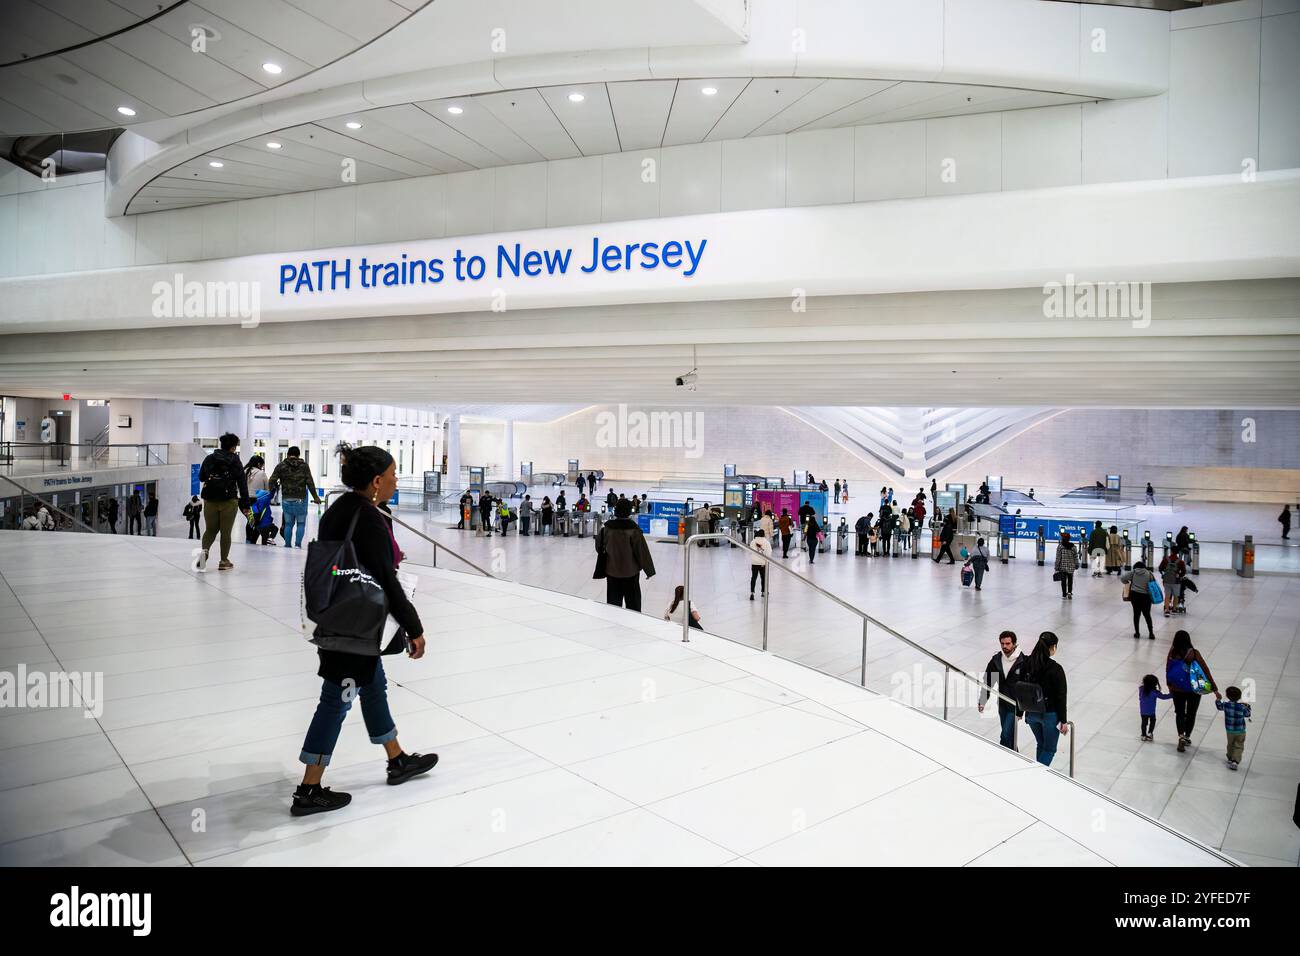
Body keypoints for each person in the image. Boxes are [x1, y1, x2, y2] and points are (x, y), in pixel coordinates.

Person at [292, 446, 436, 816]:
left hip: (339, 616)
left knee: (374, 686)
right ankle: (309, 789)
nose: (395, 481)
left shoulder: (338, 509)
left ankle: (397, 758)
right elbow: (387, 580)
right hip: (355, 626)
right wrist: (413, 627)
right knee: (335, 702)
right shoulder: (369, 519)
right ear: (375, 481)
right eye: (392, 475)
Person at [196, 433, 251, 572]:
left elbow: (202, 477)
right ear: (233, 447)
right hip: (229, 500)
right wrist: (245, 505)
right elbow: (242, 484)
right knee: (225, 532)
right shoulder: (235, 460)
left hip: (210, 500)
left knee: (210, 530)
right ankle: (223, 561)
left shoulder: (210, 458)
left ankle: (204, 553)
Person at [1165, 629, 1220, 753]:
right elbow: (1205, 670)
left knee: (1179, 712)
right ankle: (1187, 736)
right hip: (1193, 689)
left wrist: (1169, 684)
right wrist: (1214, 688)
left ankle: (1181, 736)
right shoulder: (1194, 653)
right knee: (1191, 713)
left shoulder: (1172, 653)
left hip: (1177, 688)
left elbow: (1168, 668)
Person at [595, 498, 655, 611]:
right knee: (633, 606)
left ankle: (614, 625)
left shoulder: (606, 529)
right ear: (629, 511)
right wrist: (649, 570)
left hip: (612, 572)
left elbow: (599, 547)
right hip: (630, 574)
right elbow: (642, 551)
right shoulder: (634, 530)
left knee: (613, 605)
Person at [1022, 632, 1068, 767]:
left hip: (1031, 713)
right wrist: (1063, 721)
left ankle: (1039, 775)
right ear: (1053, 647)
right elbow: (1061, 696)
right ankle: (1036, 776)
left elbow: (1020, 687)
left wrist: (1020, 712)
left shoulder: (1027, 663)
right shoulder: (1055, 669)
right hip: (1049, 714)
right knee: (1049, 749)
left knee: (1041, 744)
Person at [978, 631, 1027, 749]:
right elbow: (988, 681)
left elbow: (1026, 687)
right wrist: (983, 700)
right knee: (1009, 735)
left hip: (1015, 706)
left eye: (1008, 643)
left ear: (1014, 644)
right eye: (1002, 644)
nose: (1004, 646)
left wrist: (1021, 710)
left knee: (1005, 735)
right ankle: (1016, 758)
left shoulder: (1023, 661)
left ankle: (1002, 758)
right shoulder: (996, 660)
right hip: (1002, 703)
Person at [268, 446, 321, 549]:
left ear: (288, 454)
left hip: (286, 499)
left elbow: (272, 480)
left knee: (288, 524)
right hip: (301, 499)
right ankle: (297, 545)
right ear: (298, 455)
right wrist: (315, 497)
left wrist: (269, 494)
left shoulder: (281, 466)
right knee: (301, 523)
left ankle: (287, 545)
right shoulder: (304, 466)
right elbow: (310, 482)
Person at [1215, 686, 1251, 771]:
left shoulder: (1226, 705)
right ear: (1239, 696)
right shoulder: (1242, 707)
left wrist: (1218, 699)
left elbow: (1219, 707)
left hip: (1229, 730)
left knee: (1230, 744)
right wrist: (1247, 707)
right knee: (1239, 745)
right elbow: (1247, 714)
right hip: (1240, 730)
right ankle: (1235, 761)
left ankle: (1230, 758)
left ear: (1227, 696)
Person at [1121, 560, 1158, 640]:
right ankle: (1151, 633)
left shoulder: (1133, 572)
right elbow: (1153, 584)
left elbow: (1122, 578)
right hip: (1146, 597)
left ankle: (1137, 633)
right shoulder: (1149, 573)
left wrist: (1127, 582)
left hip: (1135, 596)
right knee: (1147, 615)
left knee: (1136, 615)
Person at [1138, 675, 1172, 742]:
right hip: (1151, 711)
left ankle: (1143, 735)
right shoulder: (1155, 692)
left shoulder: (1141, 689)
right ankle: (1150, 733)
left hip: (1143, 711)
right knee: (1152, 721)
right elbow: (1163, 697)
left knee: (1144, 723)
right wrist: (1172, 694)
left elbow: (1140, 697)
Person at [1158, 552, 1184, 616]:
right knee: (1176, 596)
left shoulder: (1165, 559)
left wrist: (1164, 574)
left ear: (1171, 551)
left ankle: (1167, 610)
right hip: (1176, 581)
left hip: (1166, 581)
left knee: (1167, 596)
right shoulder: (1180, 561)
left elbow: (1160, 568)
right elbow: (1184, 571)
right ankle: (1174, 610)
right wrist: (1179, 575)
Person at [1054, 532, 1078, 598]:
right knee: (1070, 580)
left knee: (1063, 581)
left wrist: (1056, 567)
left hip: (1062, 567)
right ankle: (1069, 592)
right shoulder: (1073, 547)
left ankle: (1064, 594)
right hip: (1071, 566)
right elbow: (1075, 557)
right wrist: (1076, 564)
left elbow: (1058, 558)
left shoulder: (1060, 546)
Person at [749, 529, 771, 600]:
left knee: (753, 577)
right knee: (763, 578)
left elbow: (750, 550)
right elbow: (769, 553)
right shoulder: (766, 542)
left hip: (754, 563)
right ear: (764, 534)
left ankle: (752, 593)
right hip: (763, 563)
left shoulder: (753, 541)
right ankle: (763, 592)